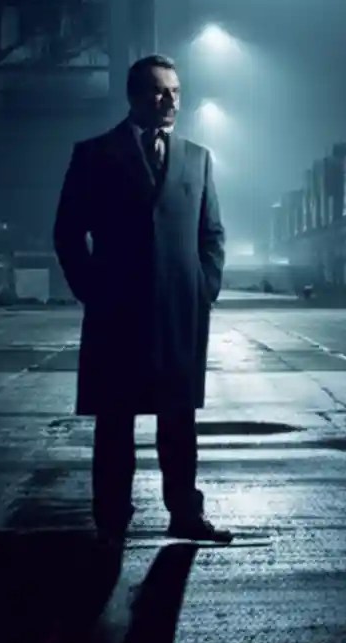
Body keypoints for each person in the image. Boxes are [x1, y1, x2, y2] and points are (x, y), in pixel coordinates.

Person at [53, 54, 232, 546]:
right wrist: (93, 291)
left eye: (176, 91)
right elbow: (68, 233)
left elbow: (211, 233)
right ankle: (111, 519)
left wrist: (204, 289)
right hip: (118, 315)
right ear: (133, 96)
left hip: (179, 314)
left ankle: (186, 515)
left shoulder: (197, 158)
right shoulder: (94, 155)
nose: (171, 100)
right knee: (115, 423)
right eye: (159, 91)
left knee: (179, 421)